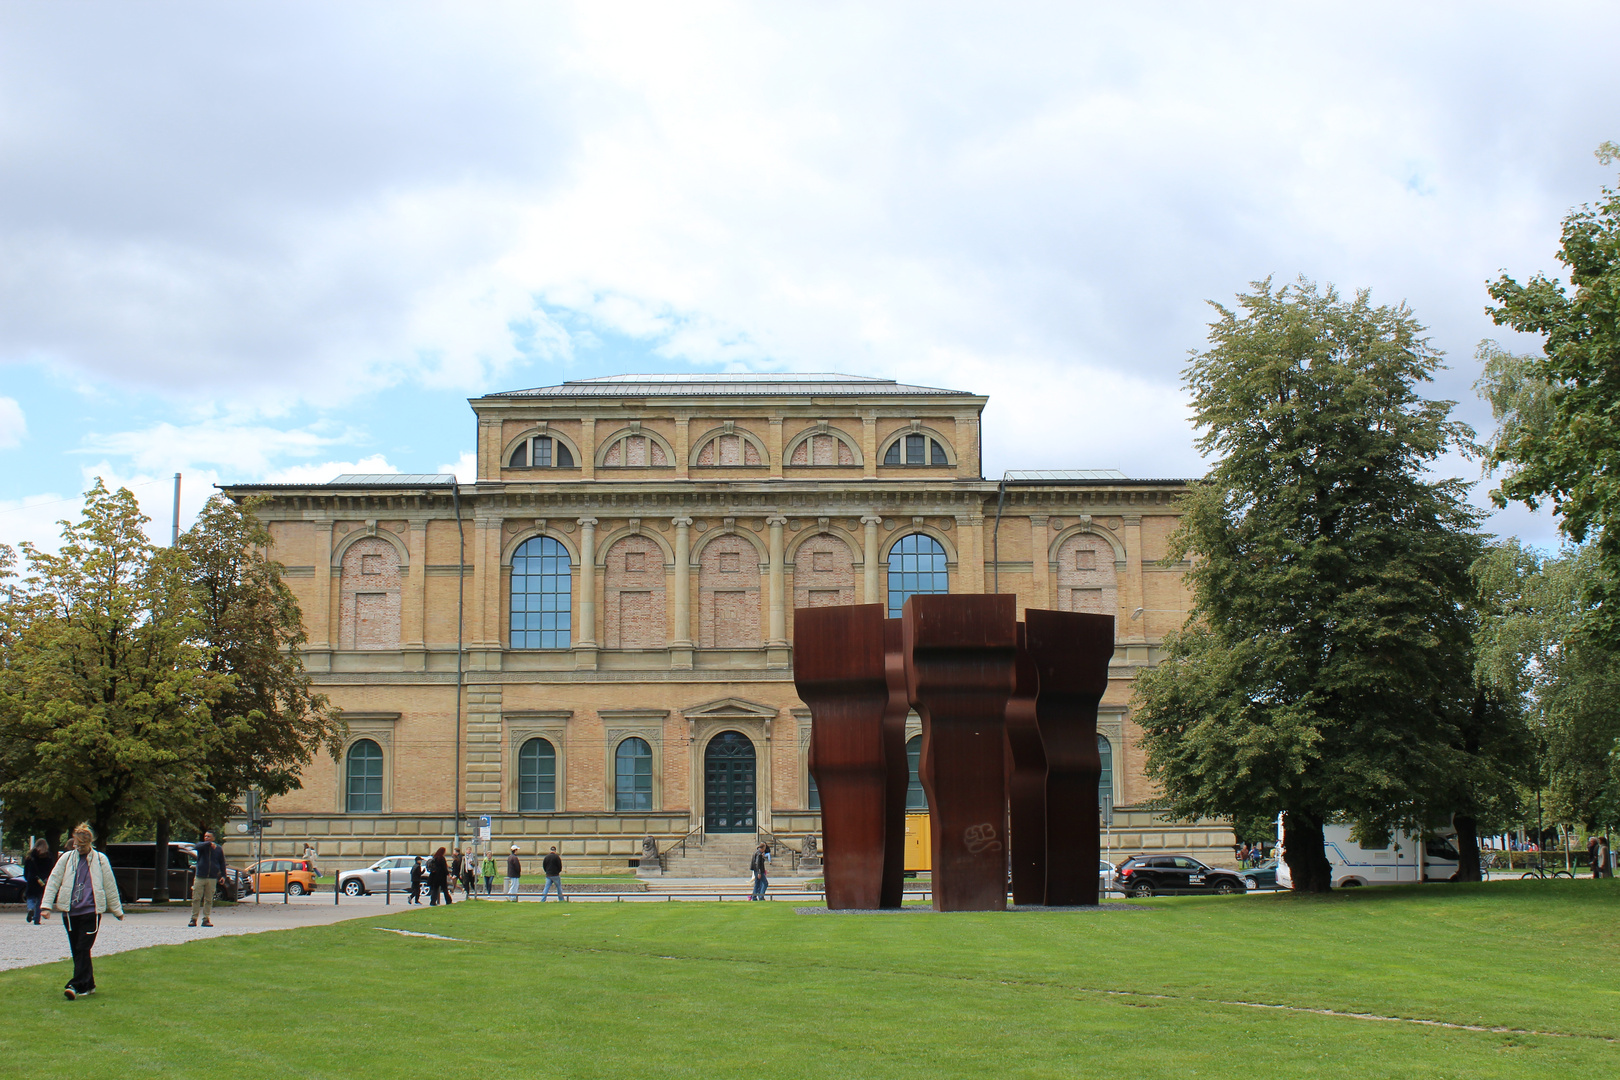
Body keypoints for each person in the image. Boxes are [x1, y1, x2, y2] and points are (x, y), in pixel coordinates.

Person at [43, 823, 124, 1000]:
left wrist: (117, 910)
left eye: (81, 845)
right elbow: (54, 880)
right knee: (78, 950)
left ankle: (75, 985)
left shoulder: (100, 859)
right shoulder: (66, 858)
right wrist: (46, 906)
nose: (77, 848)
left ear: (89, 843)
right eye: (75, 845)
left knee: (83, 947)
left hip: (91, 912)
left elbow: (109, 884)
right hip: (70, 913)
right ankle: (89, 983)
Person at [190, 830, 226, 928]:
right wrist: (208, 844)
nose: (206, 838)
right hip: (200, 876)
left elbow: (222, 862)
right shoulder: (202, 847)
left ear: (214, 838)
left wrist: (223, 875)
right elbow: (196, 846)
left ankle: (206, 919)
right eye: (205, 836)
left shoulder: (218, 849)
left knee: (209, 899)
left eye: (209, 837)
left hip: (212, 877)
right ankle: (193, 918)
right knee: (196, 898)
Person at [23, 838, 52, 925]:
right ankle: (36, 919)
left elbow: (26, 869)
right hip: (42, 880)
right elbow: (51, 868)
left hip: (32, 878)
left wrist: (27, 877)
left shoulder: (30, 855)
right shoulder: (48, 855)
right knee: (40, 900)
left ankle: (30, 909)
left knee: (30, 897)